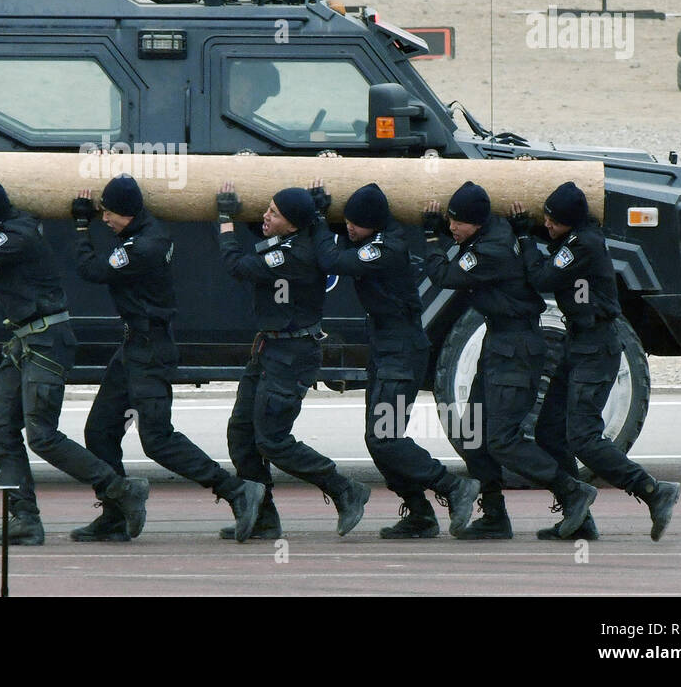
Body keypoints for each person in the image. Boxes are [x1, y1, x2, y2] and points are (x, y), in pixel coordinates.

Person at [0, 176, 149, 545]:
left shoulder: (16, 237)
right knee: (0, 431)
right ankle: (25, 520)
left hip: (46, 341)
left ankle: (121, 489)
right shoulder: (8, 229)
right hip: (24, 340)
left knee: (42, 436)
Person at [69, 175, 266, 542]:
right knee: (99, 430)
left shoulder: (144, 245)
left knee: (157, 439)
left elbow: (91, 270)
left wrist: (81, 226)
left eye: (106, 212)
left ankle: (237, 490)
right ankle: (115, 511)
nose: (103, 218)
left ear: (125, 213)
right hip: (133, 348)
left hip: (150, 349)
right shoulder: (141, 233)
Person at [423, 181, 597, 540]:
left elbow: (444, 275)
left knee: (502, 439)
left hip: (517, 348)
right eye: (450, 221)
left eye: (458, 222)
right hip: (499, 343)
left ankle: (571, 490)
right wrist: (448, 229)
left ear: (478, 222)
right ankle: (494, 515)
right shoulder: (491, 231)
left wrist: (431, 238)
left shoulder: (492, 250)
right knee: (472, 430)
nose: (452, 227)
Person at [513, 182, 681, 542]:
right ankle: (580, 517)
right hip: (578, 343)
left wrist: (525, 241)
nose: (548, 225)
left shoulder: (582, 245)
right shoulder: (575, 236)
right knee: (548, 431)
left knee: (584, 439)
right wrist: (532, 227)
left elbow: (542, 276)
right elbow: (554, 241)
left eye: (552, 221)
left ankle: (653, 491)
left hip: (597, 347)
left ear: (570, 222)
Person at [313, 181, 479, 538]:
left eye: (355, 223)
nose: (350, 228)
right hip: (386, 351)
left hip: (401, 353)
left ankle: (453, 487)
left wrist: (317, 218)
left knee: (384, 437)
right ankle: (420, 512)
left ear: (373, 223)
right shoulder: (370, 238)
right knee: (379, 439)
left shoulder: (387, 248)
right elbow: (338, 246)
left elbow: (331, 259)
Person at [216, 181, 372, 539]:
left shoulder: (293, 254)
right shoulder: (302, 234)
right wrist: (316, 209)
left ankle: (345, 489)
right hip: (269, 348)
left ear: (293, 224)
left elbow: (237, 265)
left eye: (274, 213)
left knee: (272, 440)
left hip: (292, 356)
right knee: (241, 432)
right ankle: (263, 517)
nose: (265, 216)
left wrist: (224, 219)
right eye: (267, 208)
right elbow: (291, 229)